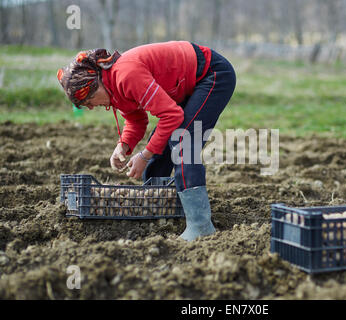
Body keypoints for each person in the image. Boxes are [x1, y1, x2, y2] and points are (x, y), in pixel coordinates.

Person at [57, 41, 236, 241]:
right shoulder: (112, 87)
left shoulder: (125, 75)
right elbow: (135, 119)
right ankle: (159, 213)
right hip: (186, 83)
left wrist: (144, 154)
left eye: (88, 102)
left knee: (183, 141)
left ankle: (200, 226)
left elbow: (171, 116)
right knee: (160, 149)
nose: (90, 107)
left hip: (212, 73)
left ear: (95, 85)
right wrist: (123, 145)